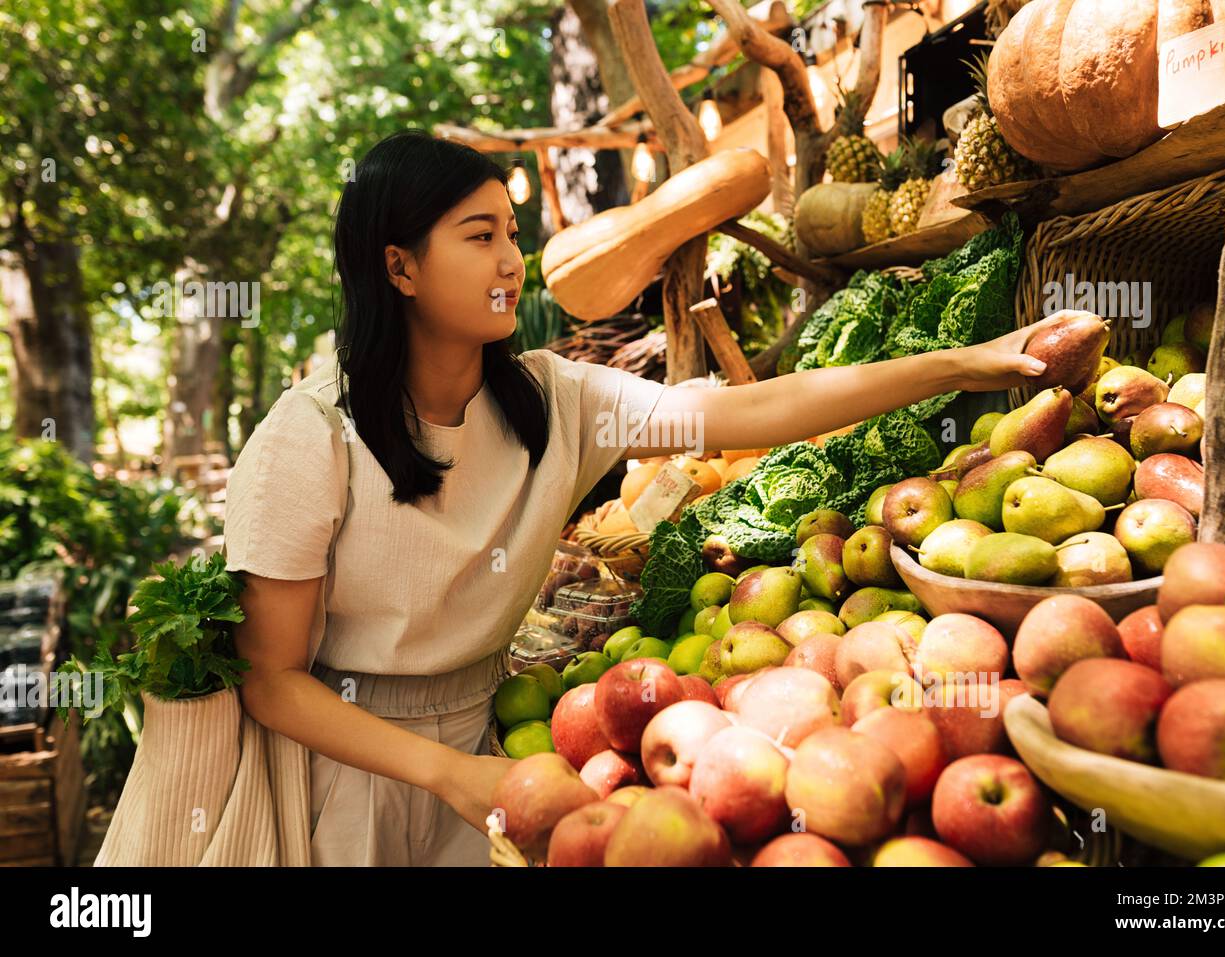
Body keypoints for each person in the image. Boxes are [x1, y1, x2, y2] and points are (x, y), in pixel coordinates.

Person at [226, 129, 1052, 867]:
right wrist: (447, 773)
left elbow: (754, 408)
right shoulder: (311, 436)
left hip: (494, 757)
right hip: (346, 773)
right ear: (398, 265)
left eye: (512, 235)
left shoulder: (552, 399)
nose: (512, 262)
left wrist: (962, 362)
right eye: (479, 238)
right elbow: (272, 678)